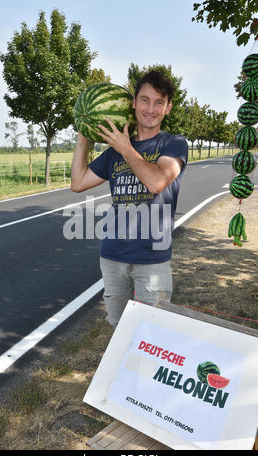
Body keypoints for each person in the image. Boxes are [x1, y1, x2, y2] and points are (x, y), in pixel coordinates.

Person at [71, 70, 188, 327]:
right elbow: (78, 183)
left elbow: (157, 181)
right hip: (112, 255)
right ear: (133, 102)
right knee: (118, 328)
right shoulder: (114, 151)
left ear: (168, 108)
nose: (150, 109)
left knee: (152, 332)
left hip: (152, 259)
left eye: (159, 102)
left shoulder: (174, 144)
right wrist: (83, 134)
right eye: (144, 100)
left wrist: (126, 148)